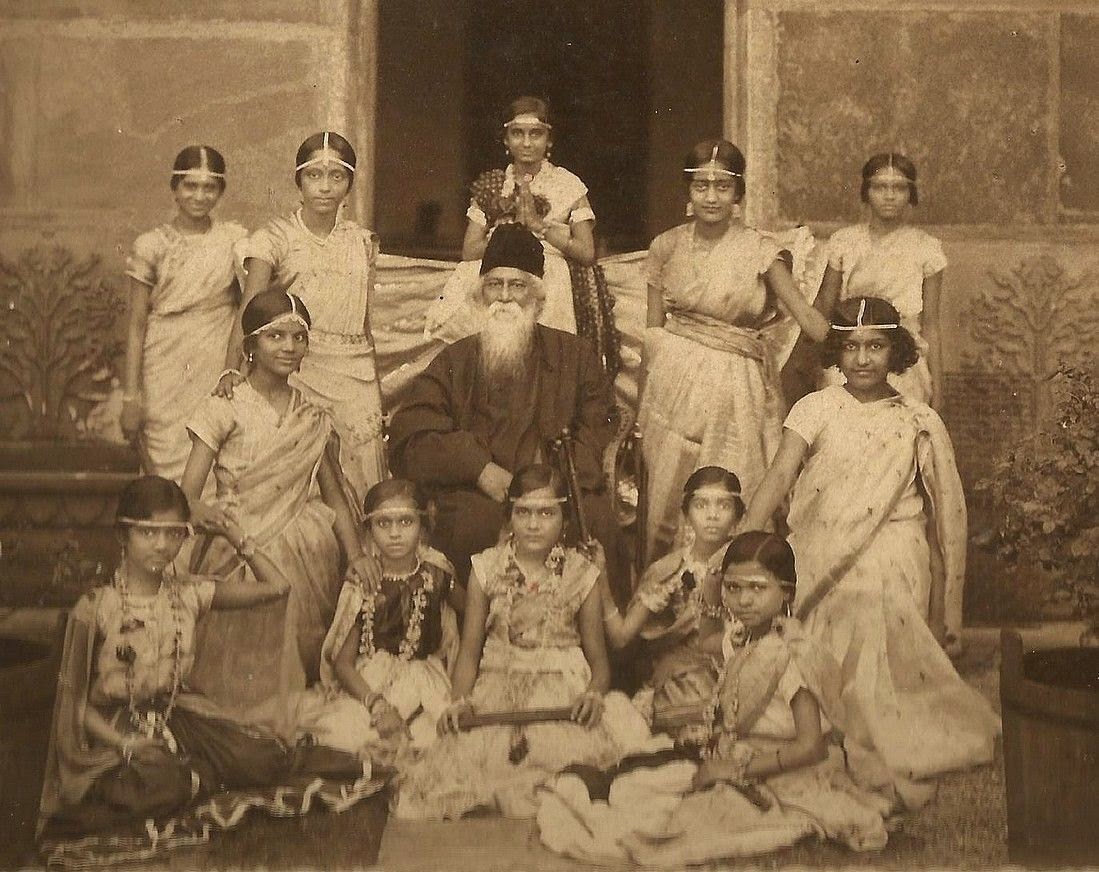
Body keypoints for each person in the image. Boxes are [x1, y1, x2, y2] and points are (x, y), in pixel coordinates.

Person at [37, 477, 380, 868]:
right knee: (163, 784)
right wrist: (125, 745)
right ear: (123, 535)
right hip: (113, 731)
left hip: (177, 716)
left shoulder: (190, 594)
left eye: (172, 534)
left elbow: (278, 588)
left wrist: (232, 532)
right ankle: (176, 778)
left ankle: (196, 773)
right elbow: (75, 706)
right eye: (148, 532)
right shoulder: (97, 607)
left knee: (258, 759)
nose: (161, 545)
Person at [741, 297, 999, 791]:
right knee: (817, 631)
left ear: (895, 351)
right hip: (818, 543)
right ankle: (821, 727)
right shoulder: (813, 408)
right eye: (852, 347)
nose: (862, 359)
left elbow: (948, 514)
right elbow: (778, 479)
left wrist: (951, 607)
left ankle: (874, 729)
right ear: (836, 351)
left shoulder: (918, 419)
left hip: (893, 545)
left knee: (873, 595)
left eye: (876, 346)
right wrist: (745, 545)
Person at [538, 532, 894, 867]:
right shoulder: (741, 637)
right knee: (629, 788)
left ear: (785, 592)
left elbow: (812, 747)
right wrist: (710, 585)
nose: (744, 599)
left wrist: (732, 770)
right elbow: (709, 640)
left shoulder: (791, 654)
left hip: (787, 773)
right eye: (734, 588)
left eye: (757, 588)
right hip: (736, 756)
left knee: (659, 821)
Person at [394, 465, 652, 820]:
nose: (533, 524)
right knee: (478, 764)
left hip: (563, 690)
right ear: (509, 516)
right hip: (497, 685)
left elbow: (599, 663)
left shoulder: (581, 573)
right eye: (523, 513)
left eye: (546, 513)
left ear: (564, 522)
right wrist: (460, 701)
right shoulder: (486, 568)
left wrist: (593, 693)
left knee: (560, 767)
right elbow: (470, 652)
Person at [389, 223, 627, 598]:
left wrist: (553, 488)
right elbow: (413, 431)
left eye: (517, 285)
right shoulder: (457, 359)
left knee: (597, 523)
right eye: (494, 285)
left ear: (537, 296)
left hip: (562, 490)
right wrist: (478, 468)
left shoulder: (576, 355)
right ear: (480, 294)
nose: (505, 297)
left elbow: (598, 423)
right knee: (470, 526)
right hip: (480, 495)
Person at [181, 289, 373, 737]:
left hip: (306, 545)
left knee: (297, 670)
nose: (289, 347)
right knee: (238, 678)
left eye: (298, 337)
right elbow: (186, 496)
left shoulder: (312, 415)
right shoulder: (223, 407)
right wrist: (228, 526)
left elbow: (335, 498)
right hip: (237, 546)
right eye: (275, 336)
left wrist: (356, 554)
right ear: (250, 344)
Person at [638, 139, 830, 559]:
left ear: (738, 194)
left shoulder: (760, 250)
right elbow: (652, 329)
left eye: (722, 186)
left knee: (732, 485)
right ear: (688, 191)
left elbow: (809, 320)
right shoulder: (665, 246)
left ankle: (731, 594)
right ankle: (668, 597)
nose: (711, 196)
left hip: (736, 386)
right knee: (667, 490)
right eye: (701, 185)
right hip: (672, 381)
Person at [218, 131, 386, 507]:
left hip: (355, 377)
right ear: (299, 181)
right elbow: (249, 311)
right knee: (304, 481)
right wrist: (232, 370)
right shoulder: (273, 238)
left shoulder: (362, 241)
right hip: (297, 367)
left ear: (349, 184)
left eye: (336, 177)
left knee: (362, 478)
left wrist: (375, 384)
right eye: (314, 176)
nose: (325, 188)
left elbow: (366, 322)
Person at [297, 479, 463, 762]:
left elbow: (476, 611)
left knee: (437, 741)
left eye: (405, 522)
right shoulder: (364, 583)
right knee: (347, 736)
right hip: (370, 682)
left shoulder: (437, 574)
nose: (395, 533)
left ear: (423, 527)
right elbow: (343, 663)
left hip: (425, 681)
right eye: (383, 524)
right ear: (369, 531)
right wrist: (377, 705)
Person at [424, 96, 597, 344]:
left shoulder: (568, 184)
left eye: (535, 134)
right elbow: (469, 249)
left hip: (548, 274)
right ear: (506, 140)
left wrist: (541, 227)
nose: (526, 143)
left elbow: (586, 252)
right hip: (499, 269)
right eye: (517, 133)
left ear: (549, 140)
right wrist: (505, 234)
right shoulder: (493, 184)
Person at [120, 146, 246, 482]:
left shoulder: (234, 241)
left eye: (209, 187)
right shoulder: (151, 245)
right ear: (175, 189)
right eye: (190, 186)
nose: (199, 196)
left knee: (213, 447)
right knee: (164, 457)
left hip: (214, 357)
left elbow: (250, 307)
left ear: (220, 192)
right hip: (164, 364)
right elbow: (135, 325)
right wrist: (131, 396)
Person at [601, 467, 742, 742]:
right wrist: (602, 584)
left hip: (737, 673)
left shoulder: (747, 566)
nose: (712, 515)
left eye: (723, 505)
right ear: (685, 515)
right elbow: (621, 638)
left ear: (738, 517)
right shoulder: (668, 570)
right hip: (682, 678)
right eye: (701, 505)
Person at [813, 153, 946, 405]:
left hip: (903, 358)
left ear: (911, 194)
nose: (889, 196)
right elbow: (824, 310)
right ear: (866, 192)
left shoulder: (927, 248)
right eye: (879, 187)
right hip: (852, 354)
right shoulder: (844, 242)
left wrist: (938, 386)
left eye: (899, 188)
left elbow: (931, 323)